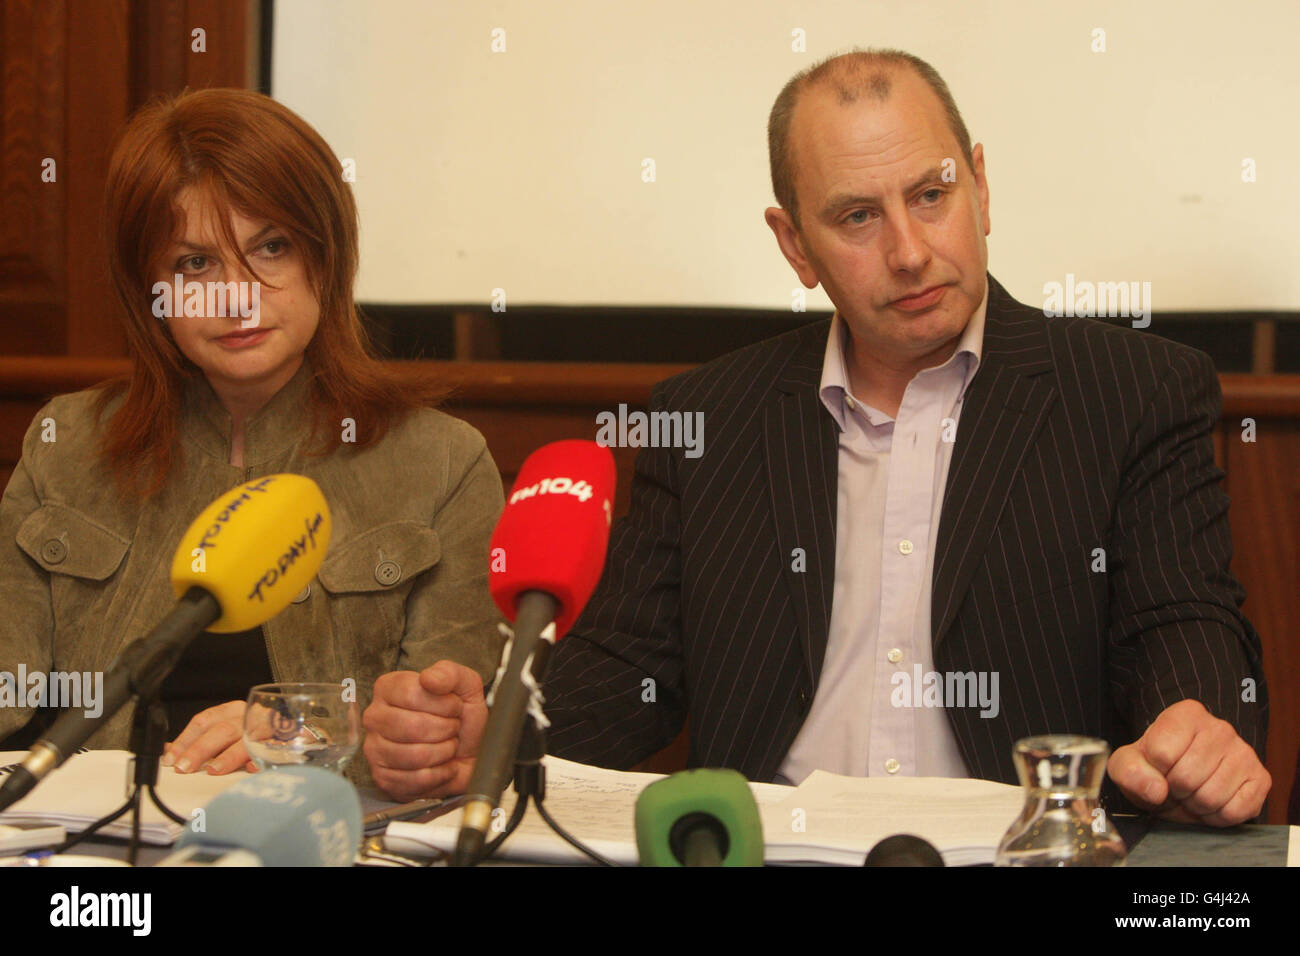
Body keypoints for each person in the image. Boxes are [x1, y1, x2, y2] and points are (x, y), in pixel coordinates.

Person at [362, 50, 1271, 826]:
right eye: (857, 217)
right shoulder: (710, 417)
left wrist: (1195, 731)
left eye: (931, 194)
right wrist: (500, 736)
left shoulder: (1131, 391)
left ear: (981, 186)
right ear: (795, 245)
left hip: (1017, 849)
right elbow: (628, 667)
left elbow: (1180, 622)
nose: (910, 250)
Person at [0, 89, 505, 787]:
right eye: (194, 264)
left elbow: (432, 740)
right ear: (151, 291)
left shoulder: (442, 461)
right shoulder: (67, 443)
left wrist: (302, 730)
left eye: (271, 247)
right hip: (98, 831)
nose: (236, 295)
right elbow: (9, 697)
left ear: (324, 259)